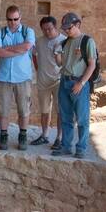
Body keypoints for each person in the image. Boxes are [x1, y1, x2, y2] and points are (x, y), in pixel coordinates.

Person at [0, 4, 35, 150]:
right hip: (4, 78)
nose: (13, 22)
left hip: (22, 78)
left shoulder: (28, 32)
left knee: (24, 109)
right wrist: (18, 50)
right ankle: (3, 136)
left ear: (20, 17)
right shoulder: (1, 33)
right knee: (3, 109)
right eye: (10, 19)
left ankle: (22, 135)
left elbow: (27, 47)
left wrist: (7, 49)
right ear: (6, 19)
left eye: (16, 19)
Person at [54, 12, 97, 160]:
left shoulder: (87, 41)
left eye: (69, 28)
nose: (66, 31)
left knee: (82, 118)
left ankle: (81, 148)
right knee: (65, 117)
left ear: (77, 25)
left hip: (78, 82)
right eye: (64, 28)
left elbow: (92, 65)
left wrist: (82, 82)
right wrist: (57, 54)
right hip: (64, 81)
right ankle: (66, 146)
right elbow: (61, 64)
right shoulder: (65, 42)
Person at [32, 15, 66, 148]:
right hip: (43, 81)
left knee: (59, 111)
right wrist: (37, 68)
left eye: (50, 29)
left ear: (55, 27)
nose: (47, 32)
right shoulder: (39, 41)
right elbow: (33, 54)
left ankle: (59, 137)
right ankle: (45, 135)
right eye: (44, 29)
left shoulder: (64, 40)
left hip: (58, 80)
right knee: (44, 111)